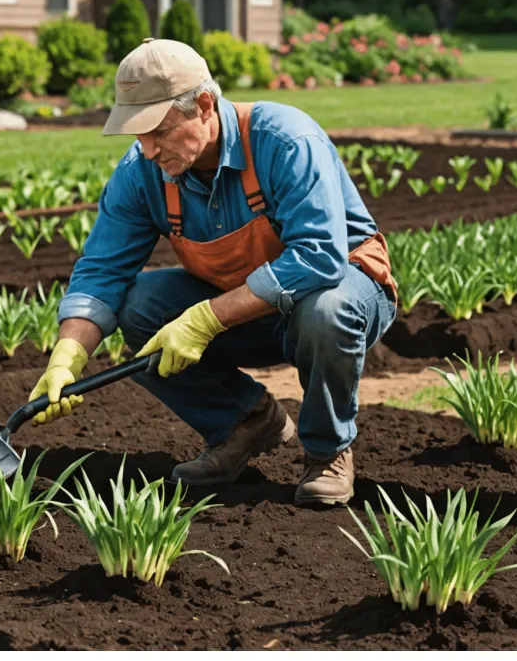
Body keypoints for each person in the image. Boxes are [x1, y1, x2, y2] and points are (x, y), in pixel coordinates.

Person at [27, 38, 398, 506]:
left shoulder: (284, 140)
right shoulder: (142, 171)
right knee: (136, 305)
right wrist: (68, 354)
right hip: (247, 307)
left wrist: (206, 319)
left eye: (157, 131)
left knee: (326, 309)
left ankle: (328, 450)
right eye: (136, 134)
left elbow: (320, 256)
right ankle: (245, 422)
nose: (147, 149)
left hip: (340, 294)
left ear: (204, 105)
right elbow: (103, 269)